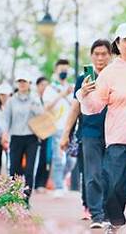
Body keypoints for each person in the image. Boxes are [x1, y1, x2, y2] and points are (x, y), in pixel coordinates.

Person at [78, 21, 126, 234]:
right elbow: (94, 107)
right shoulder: (109, 72)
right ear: (117, 43)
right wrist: (84, 94)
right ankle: (116, 220)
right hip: (118, 138)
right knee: (115, 187)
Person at [61, 39, 112, 228]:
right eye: (96, 54)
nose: (100, 58)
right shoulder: (84, 79)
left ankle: (108, 211)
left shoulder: (115, 77)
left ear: (110, 55)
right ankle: (97, 215)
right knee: (92, 174)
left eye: (104, 54)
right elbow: (75, 107)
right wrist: (66, 133)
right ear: (91, 56)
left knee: (111, 175)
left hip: (113, 132)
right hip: (89, 132)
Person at [3, 73, 43, 203]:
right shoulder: (11, 101)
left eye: (24, 81)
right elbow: (6, 119)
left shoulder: (35, 99)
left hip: (32, 138)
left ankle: (26, 199)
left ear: (29, 83)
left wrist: (34, 106)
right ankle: (14, 198)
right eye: (19, 81)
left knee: (29, 169)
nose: (22, 84)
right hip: (16, 138)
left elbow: (41, 115)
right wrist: (5, 134)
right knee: (14, 168)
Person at [43, 59, 76, 197]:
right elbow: (47, 107)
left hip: (71, 127)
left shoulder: (72, 87)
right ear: (56, 71)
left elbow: (75, 106)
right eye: (61, 69)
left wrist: (68, 94)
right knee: (58, 157)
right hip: (57, 127)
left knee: (71, 160)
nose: (63, 72)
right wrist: (61, 94)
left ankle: (61, 180)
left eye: (65, 69)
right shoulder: (50, 88)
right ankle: (58, 186)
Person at [34, 76, 50, 192]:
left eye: (46, 85)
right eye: (42, 85)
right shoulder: (34, 99)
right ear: (37, 86)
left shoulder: (47, 99)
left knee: (45, 157)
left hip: (46, 131)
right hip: (33, 132)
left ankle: (41, 184)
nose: (45, 88)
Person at [0, 82, 12, 176]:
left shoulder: (13, 106)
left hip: (10, 138)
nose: (3, 97)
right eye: (1, 95)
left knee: (10, 162)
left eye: (5, 95)